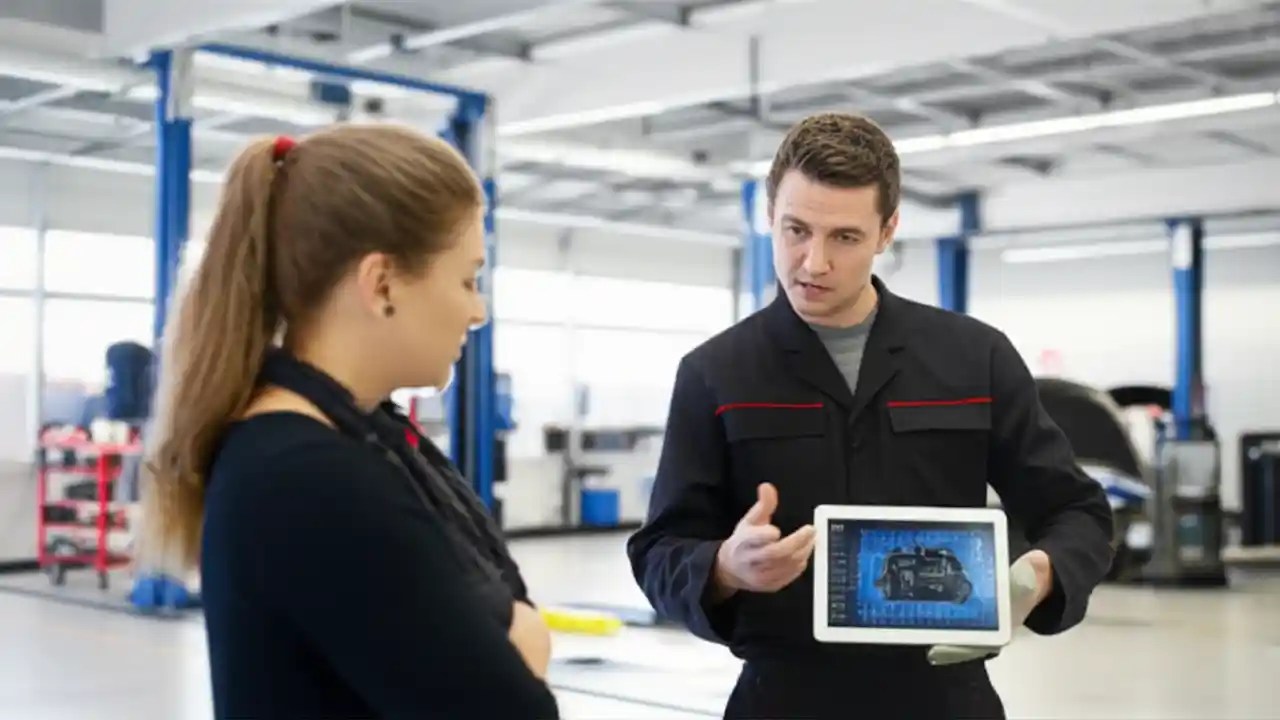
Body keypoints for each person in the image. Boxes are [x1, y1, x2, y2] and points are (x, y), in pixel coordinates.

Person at [626, 113, 1115, 719]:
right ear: (768, 217)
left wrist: (1040, 575)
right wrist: (724, 567)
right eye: (796, 230)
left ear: (887, 231)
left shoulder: (973, 357)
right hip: (783, 697)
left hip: (944, 695)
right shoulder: (715, 373)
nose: (813, 263)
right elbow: (659, 550)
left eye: (845, 238)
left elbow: (1077, 511)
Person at [136, 124, 560, 720]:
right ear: (382, 284)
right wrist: (517, 632)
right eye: (467, 279)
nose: (478, 309)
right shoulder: (309, 477)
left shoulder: (359, 438)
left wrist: (511, 630)